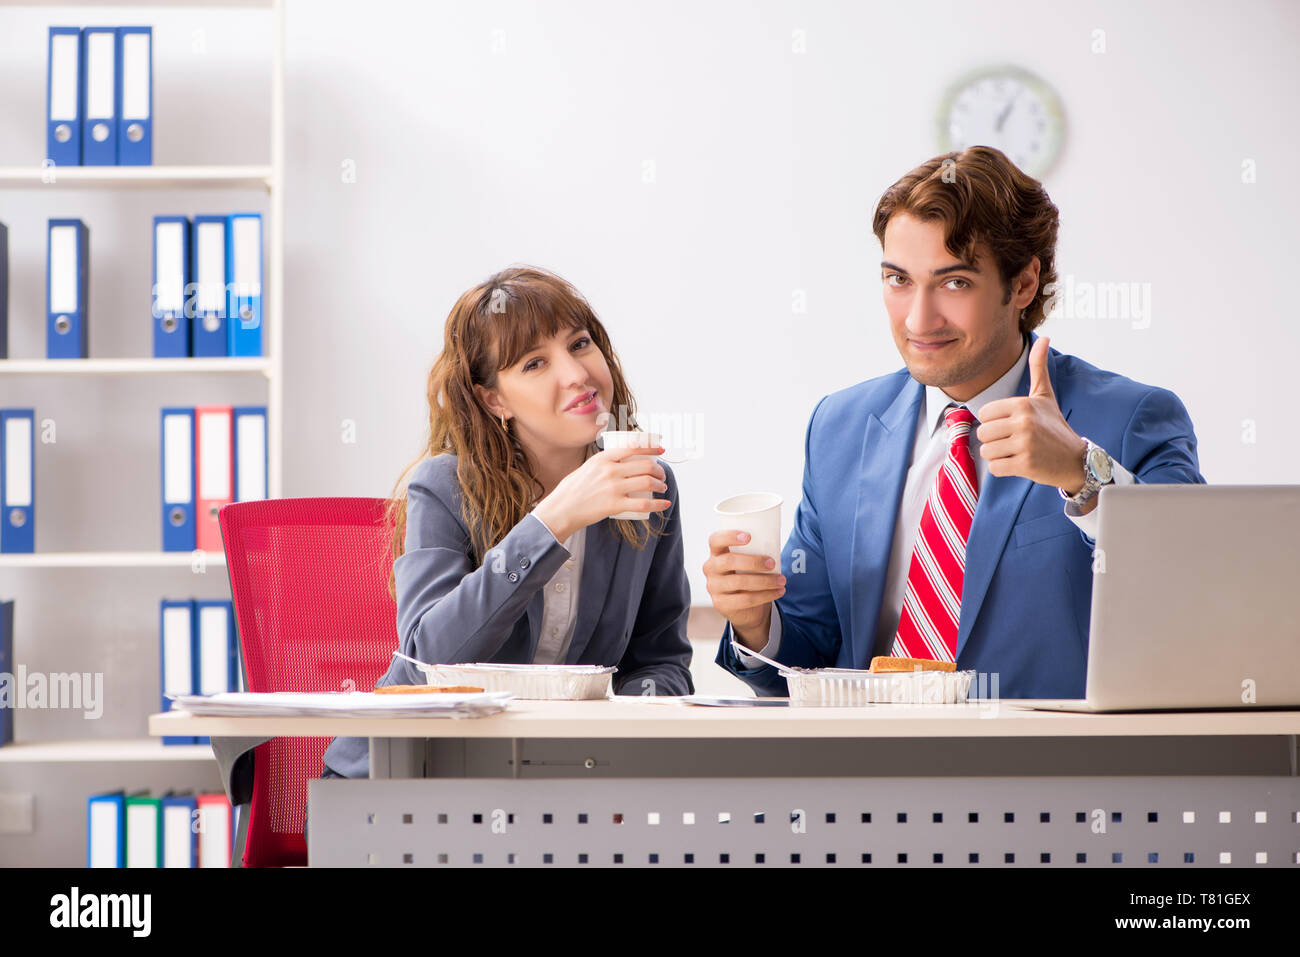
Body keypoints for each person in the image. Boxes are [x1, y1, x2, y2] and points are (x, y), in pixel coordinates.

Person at [707, 146, 1204, 699]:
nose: (919, 319)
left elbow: (1190, 601)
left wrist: (1082, 475)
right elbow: (812, 655)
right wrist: (756, 622)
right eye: (899, 280)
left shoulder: (1131, 417)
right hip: (868, 768)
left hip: (1053, 773)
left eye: (955, 283)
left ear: (1022, 285)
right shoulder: (840, 427)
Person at [321, 265, 694, 780]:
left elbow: (660, 660)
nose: (577, 374)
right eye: (535, 363)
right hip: (409, 778)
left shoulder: (646, 484)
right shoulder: (444, 486)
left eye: (581, 344)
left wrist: (625, 733)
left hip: (551, 783)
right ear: (493, 399)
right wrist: (554, 520)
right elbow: (433, 658)